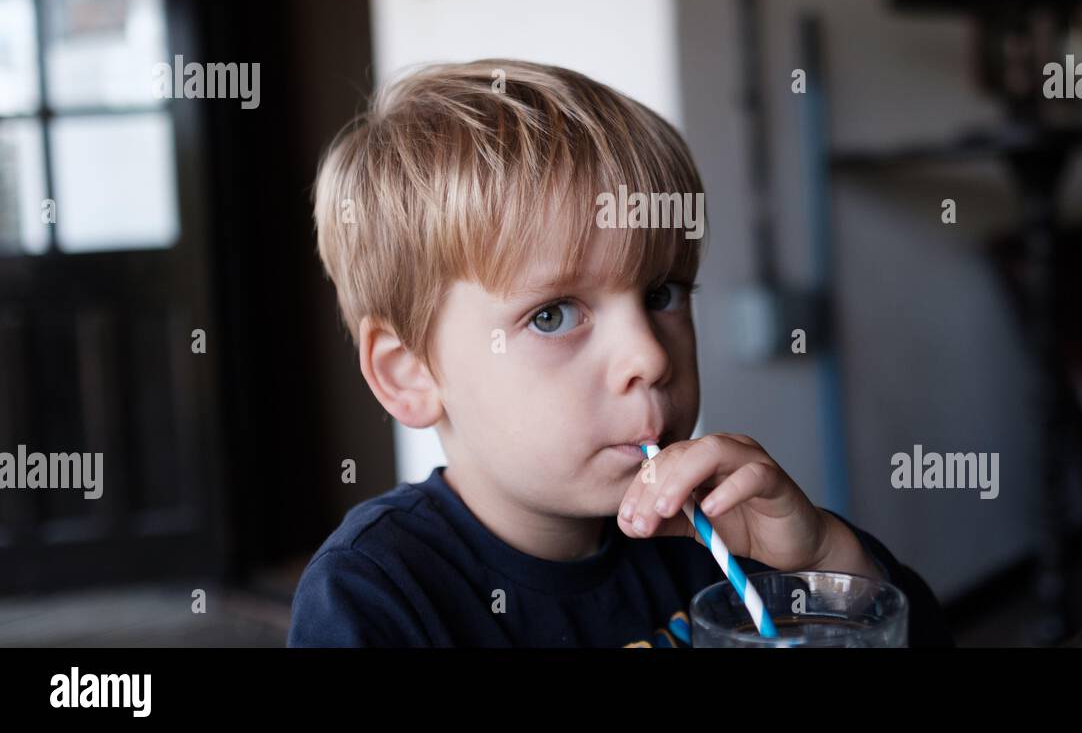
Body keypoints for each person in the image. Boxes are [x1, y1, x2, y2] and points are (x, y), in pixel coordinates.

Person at [288, 59, 951, 647]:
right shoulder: (376, 593)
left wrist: (825, 560)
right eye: (552, 315)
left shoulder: (720, 535)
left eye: (662, 294)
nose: (649, 357)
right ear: (409, 373)